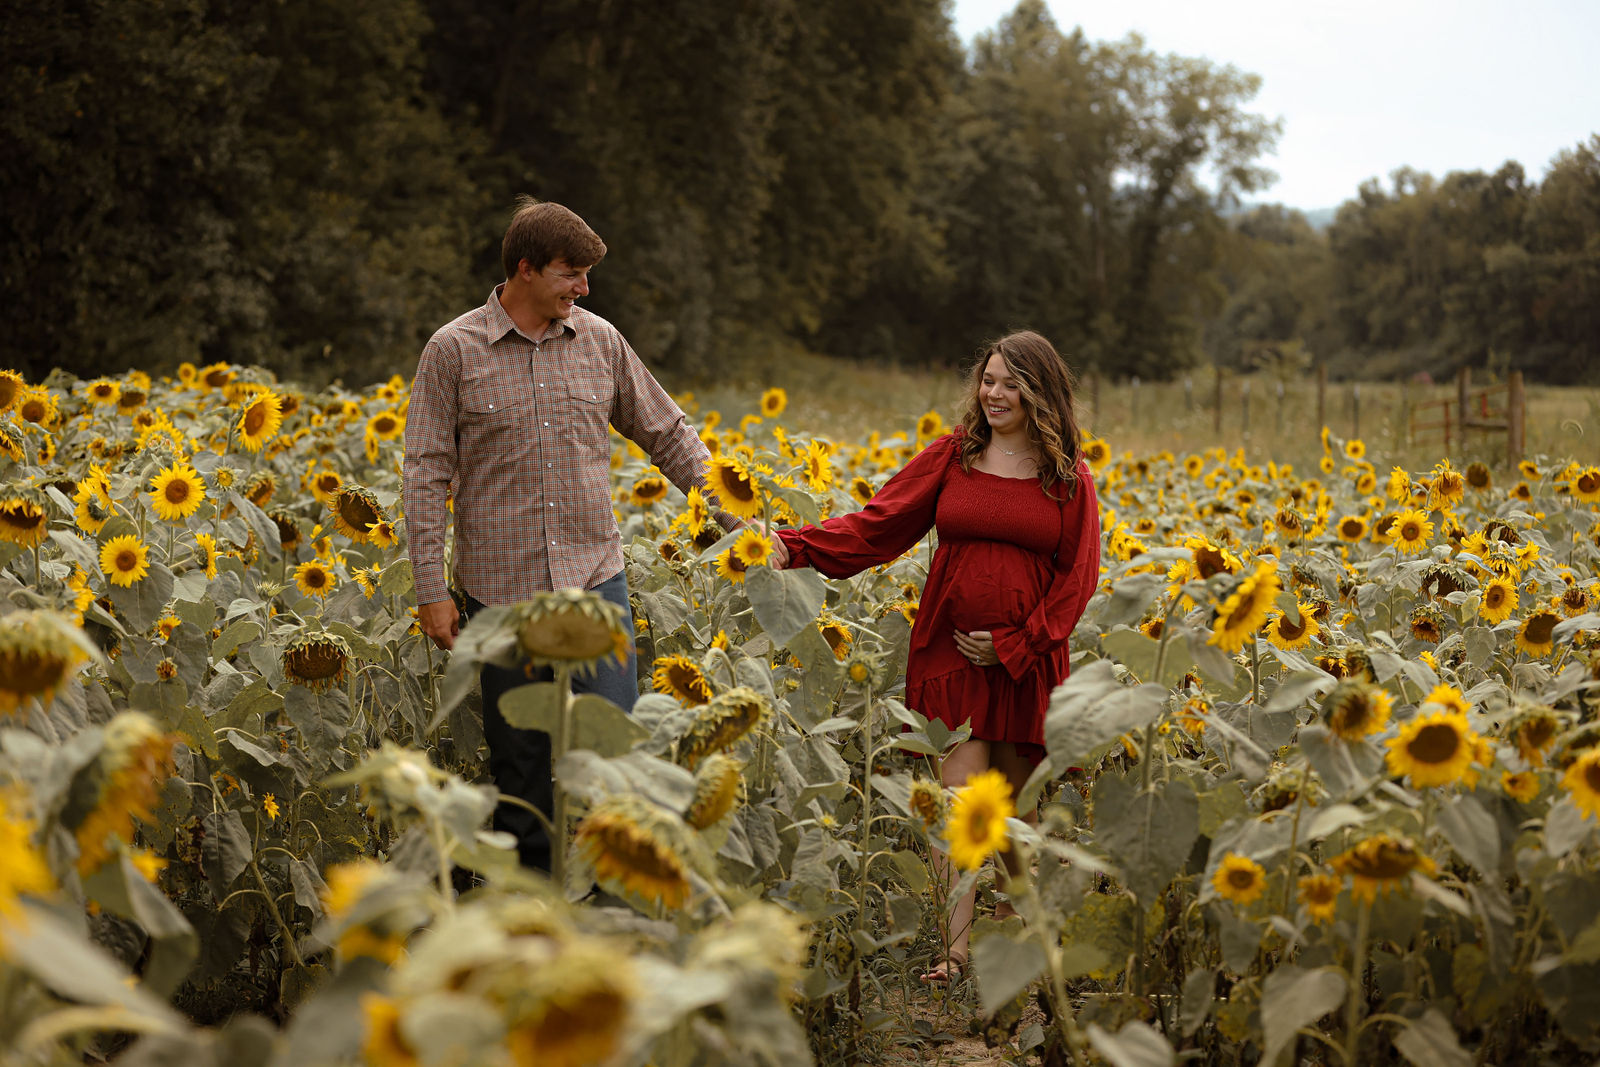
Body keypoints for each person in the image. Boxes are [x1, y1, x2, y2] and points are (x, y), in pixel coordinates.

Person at [403, 197, 764, 872]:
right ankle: (534, 907)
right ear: (526, 268)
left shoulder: (600, 341)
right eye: (571, 273)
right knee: (523, 768)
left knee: (613, 754)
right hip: (502, 596)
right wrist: (431, 589)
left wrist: (739, 520)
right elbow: (425, 473)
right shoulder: (453, 351)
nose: (584, 288)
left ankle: (610, 900)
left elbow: (668, 433)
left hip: (596, 581)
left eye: (587, 275)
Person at [773, 331, 1100, 983]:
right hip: (950, 653)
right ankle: (954, 951)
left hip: (1026, 664)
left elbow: (1078, 577)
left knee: (1015, 813)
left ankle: (1012, 945)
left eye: (1011, 384)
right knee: (958, 801)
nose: (994, 394)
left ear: (1040, 394)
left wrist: (1016, 643)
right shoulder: (953, 455)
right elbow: (878, 525)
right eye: (988, 380)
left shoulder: (1067, 476)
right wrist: (793, 546)